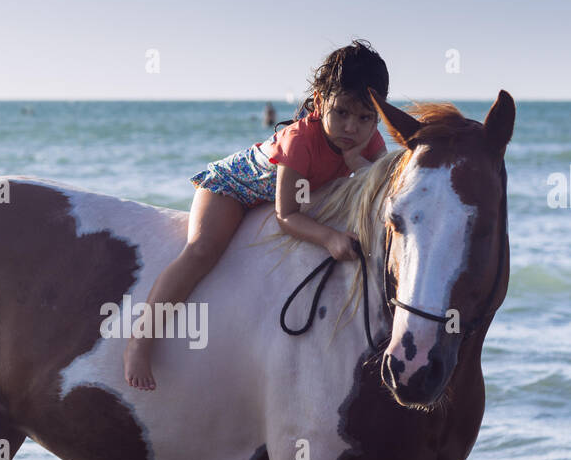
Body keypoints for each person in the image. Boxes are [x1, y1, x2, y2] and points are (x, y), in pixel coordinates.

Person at [123, 40, 389, 390]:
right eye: (341, 112)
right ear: (322, 102)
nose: (351, 128)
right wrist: (330, 238)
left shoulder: (369, 144)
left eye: (364, 117)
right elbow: (287, 216)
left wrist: (360, 167)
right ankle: (140, 343)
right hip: (232, 189)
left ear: (378, 117)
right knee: (202, 251)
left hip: (291, 198)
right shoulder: (300, 142)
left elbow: (378, 200)